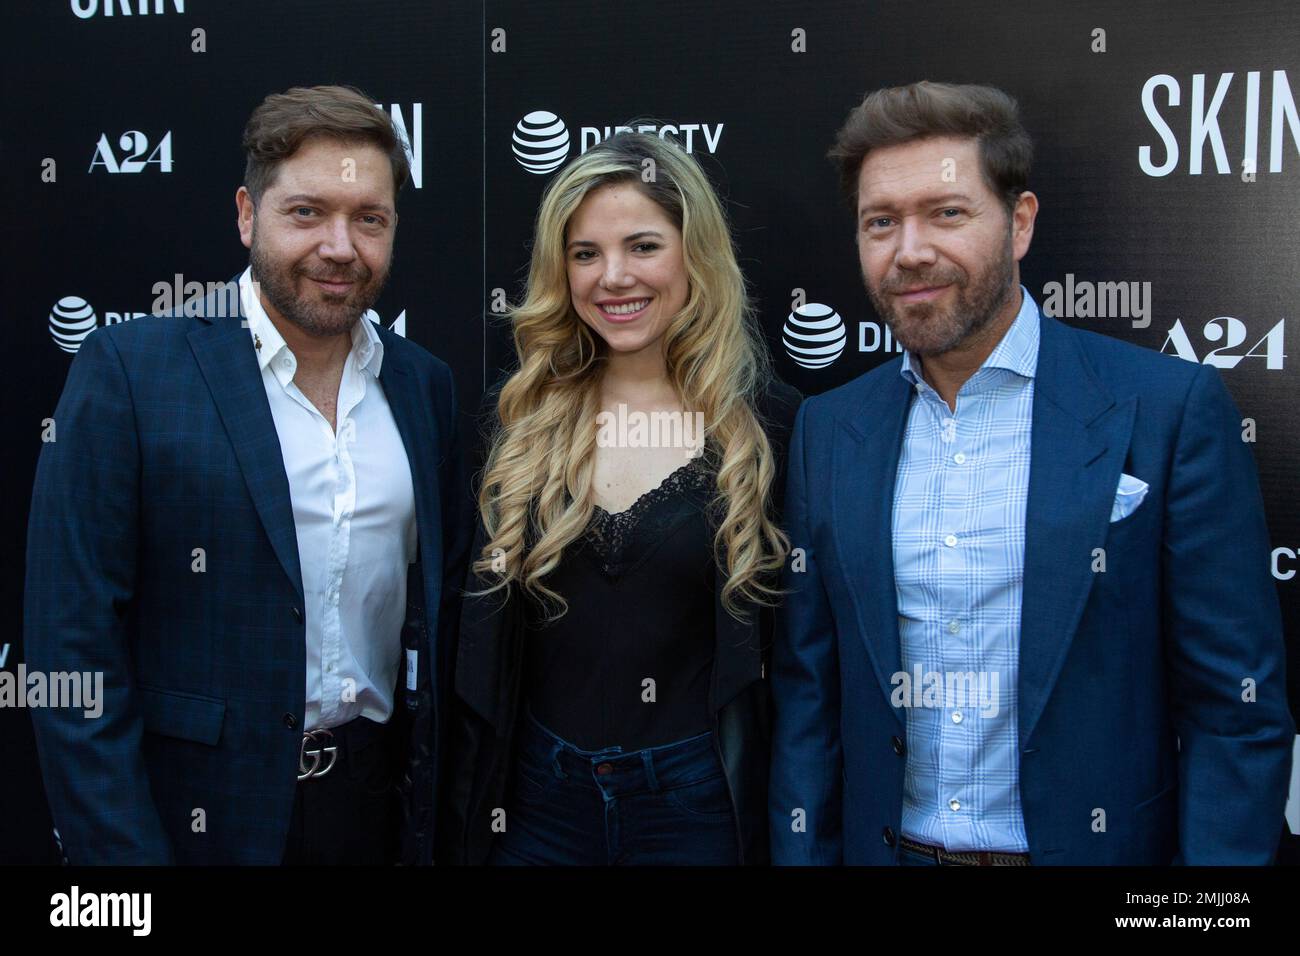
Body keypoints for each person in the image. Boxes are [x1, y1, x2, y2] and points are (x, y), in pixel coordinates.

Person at [769, 80, 1294, 865]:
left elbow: (1235, 713)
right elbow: (808, 701)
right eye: (881, 222)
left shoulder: (1166, 408)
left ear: (1018, 223)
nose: (910, 250)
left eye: (946, 212)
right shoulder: (828, 429)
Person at [25, 85, 469, 865]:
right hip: (191, 820)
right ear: (245, 214)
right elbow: (72, 654)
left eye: (369, 218)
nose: (340, 246)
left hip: (371, 814)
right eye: (306, 213)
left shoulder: (424, 386)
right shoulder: (133, 372)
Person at [444, 131, 800, 865]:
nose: (613, 277)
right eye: (585, 254)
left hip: (699, 809)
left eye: (643, 246)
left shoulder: (769, 429)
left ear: (692, 253)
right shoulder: (514, 422)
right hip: (536, 810)